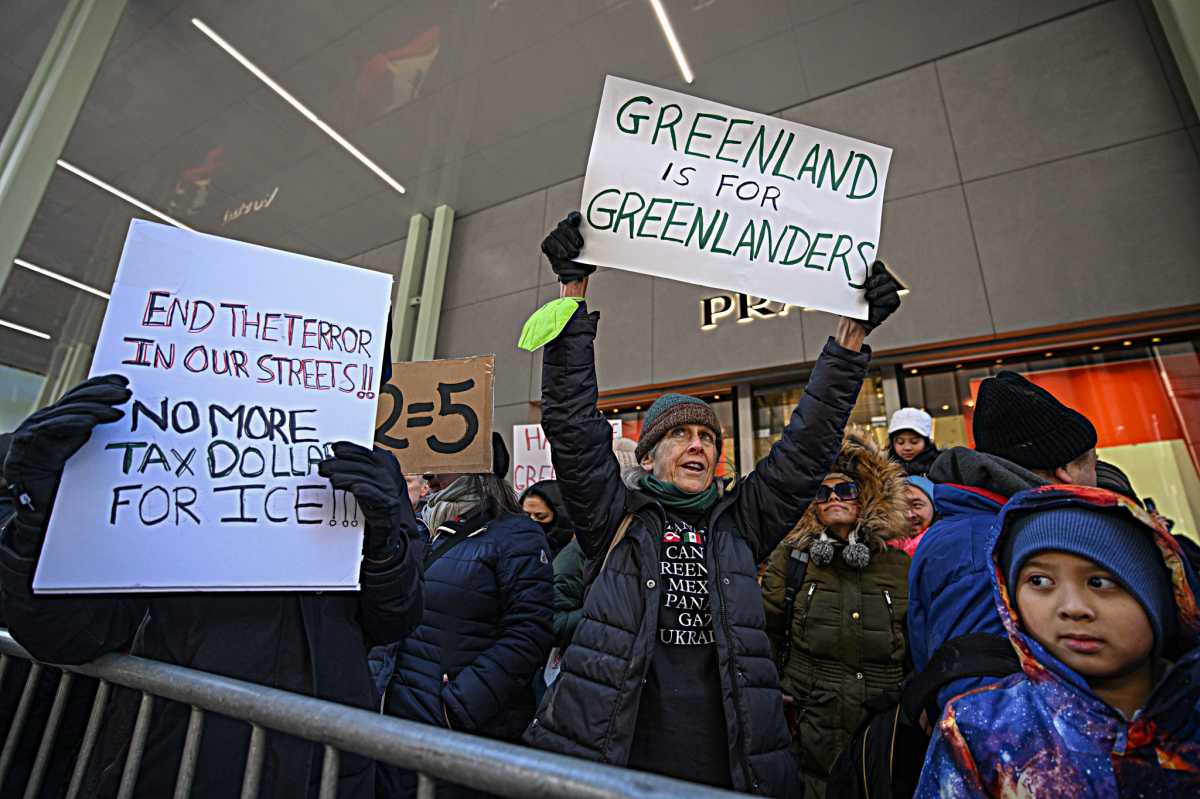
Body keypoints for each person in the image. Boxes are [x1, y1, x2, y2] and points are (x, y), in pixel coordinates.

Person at [523, 213, 903, 796]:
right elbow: (573, 424)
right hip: (615, 755)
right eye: (680, 436)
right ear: (646, 459)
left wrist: (850, 338)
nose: (698, 444)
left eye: (708, 438)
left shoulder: (742, 523)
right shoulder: (614, 516)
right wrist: (572, 295)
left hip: (731, 762)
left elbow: (806, 447)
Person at [0, 375, 424, 798]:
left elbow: (394, 620)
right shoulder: (164, 442)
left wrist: (385, 545)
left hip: (328, 761)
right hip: (183, 753)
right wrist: (38, 519)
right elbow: (69, 635)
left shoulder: (374, 469)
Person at [915, 485, 1200, 797]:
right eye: (1039, 581)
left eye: (1100, 582)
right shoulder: (980, 730)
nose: (1073, 607)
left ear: (1159, 596)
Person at [907, 371, 1097, 708]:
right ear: (1066, 470)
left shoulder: (999, 528)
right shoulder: (980, 546)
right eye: (1093, 463)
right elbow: (982, 708)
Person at [379, 440, 553, 799]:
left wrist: (457, 706)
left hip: (458, 731)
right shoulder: (423, 529)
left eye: (440, 456)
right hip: (401, 720)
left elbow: (529, 634)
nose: (428, 470)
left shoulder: (516, 534)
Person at [762, 432, 911, 798]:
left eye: (844, 489)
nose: (833, 498)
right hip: (813, 725)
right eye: (822, 492)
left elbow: (917, 643)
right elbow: (766, 631)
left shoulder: (900, 565)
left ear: (867, 494)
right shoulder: (792, 560)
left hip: (883, 727)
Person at [519, 479, 574, 556]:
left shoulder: (578, 552)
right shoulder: (515, 545)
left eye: (540, 516)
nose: (532, 520)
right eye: (526, 515)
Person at [889, 475, 936, 557]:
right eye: (901, 507)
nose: (909, 515)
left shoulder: (944, 543)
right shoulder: (882, 548)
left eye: (916, 505)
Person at [887, 407, 939, 477]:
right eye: (900, 442)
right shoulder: (883, 470)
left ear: (926, 442)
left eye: (914, 441)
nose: (907, 447)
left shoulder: (940, 467)